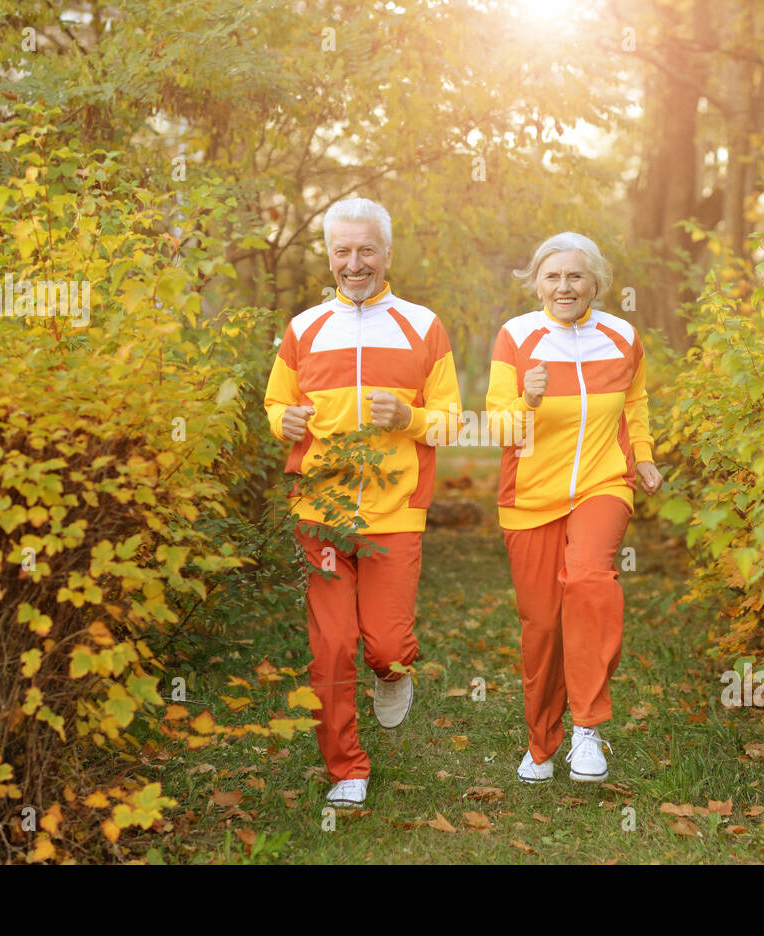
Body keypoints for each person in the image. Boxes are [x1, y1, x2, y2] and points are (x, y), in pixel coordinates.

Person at [265, 197, 460, 807]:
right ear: (329, 256)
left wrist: (409, 416)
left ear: (387, 255)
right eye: (342, 251)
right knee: (330, 643)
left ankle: (392, 673)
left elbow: (451, 422)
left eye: (366, 250)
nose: (354, 263)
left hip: (394, 512)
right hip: (318, 515)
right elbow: (276, 404)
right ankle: (347, 768)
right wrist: (285, 423)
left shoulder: (421, 325)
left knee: (386, 645)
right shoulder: (304, 328)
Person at [485, 232, 662, 784]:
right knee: (542, 625)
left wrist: (646, 459)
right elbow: (497, 428)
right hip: (530, 496)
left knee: (588, 581)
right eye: (553, 276)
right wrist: (528, 401)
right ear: (536, 282)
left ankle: (587, 727)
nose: (564, 286)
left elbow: (635, 403)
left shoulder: (622, 335)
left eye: (575, 276)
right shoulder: (516, 337)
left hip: (601, 483)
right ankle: (541, 744)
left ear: (595, 283)